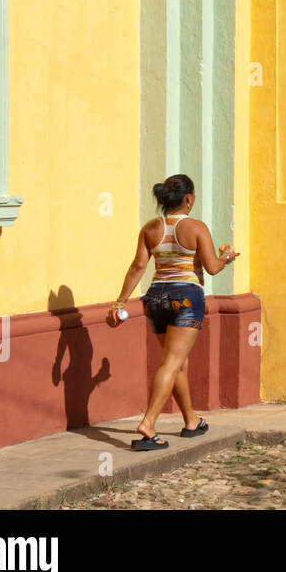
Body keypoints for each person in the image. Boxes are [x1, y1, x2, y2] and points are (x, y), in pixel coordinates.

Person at [113, 174, 240, 451]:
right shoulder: (196, 227)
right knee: (171, 363)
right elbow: (213, 267)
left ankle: (192, 420)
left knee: (177, 362)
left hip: (156, 298)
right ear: (188, 199)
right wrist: (227, 257)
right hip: (185, 297)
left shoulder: (150, 228)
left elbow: (138, 267)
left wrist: (120, 302)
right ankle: (148, 424)